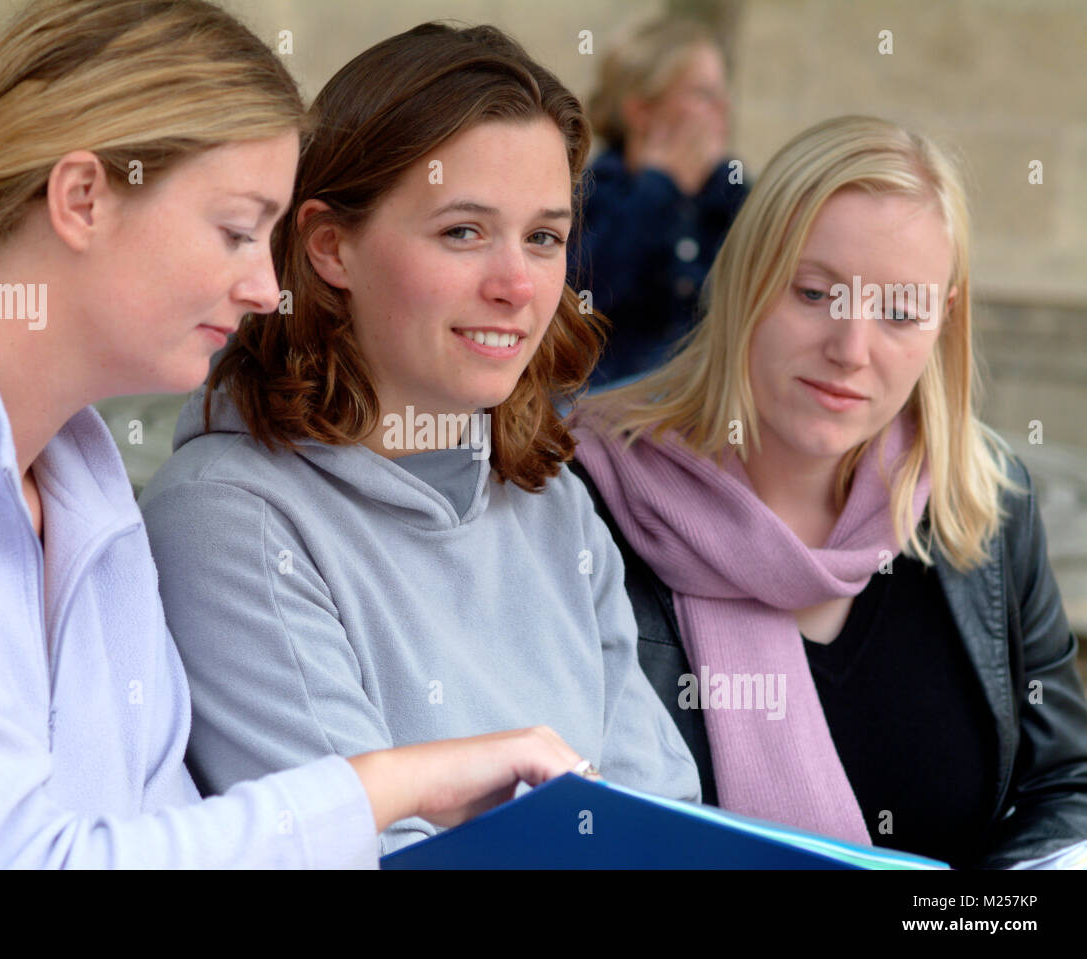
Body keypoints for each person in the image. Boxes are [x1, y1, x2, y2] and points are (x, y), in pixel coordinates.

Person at [0, 0, 593, 869]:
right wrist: (392, 785)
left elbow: (151, 830)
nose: (262, 284)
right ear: (83, 199)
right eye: (238, 231)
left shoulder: (81, 478)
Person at [140, 22, 701, 855]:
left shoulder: (554, 504)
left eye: (543, 237)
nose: (517, 284)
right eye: (463, 231)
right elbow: (370, 848)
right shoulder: (231, 517)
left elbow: (658, 818)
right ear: (330, 246)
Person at [568, 115, 1087, 868]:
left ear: (944, 321)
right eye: (814, 293)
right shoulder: (590, 497)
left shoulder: (985, 500)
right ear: (747, 280)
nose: (850, 349)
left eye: (900, 312)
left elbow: (1062, 782)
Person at [574, 16, 747, 386]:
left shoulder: (730, 192)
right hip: (606, 409)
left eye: (722, 92)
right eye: (703, 93)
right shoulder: (592, 191)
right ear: (641, 112)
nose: (723, 108)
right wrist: (659, 187)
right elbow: (583, 297)